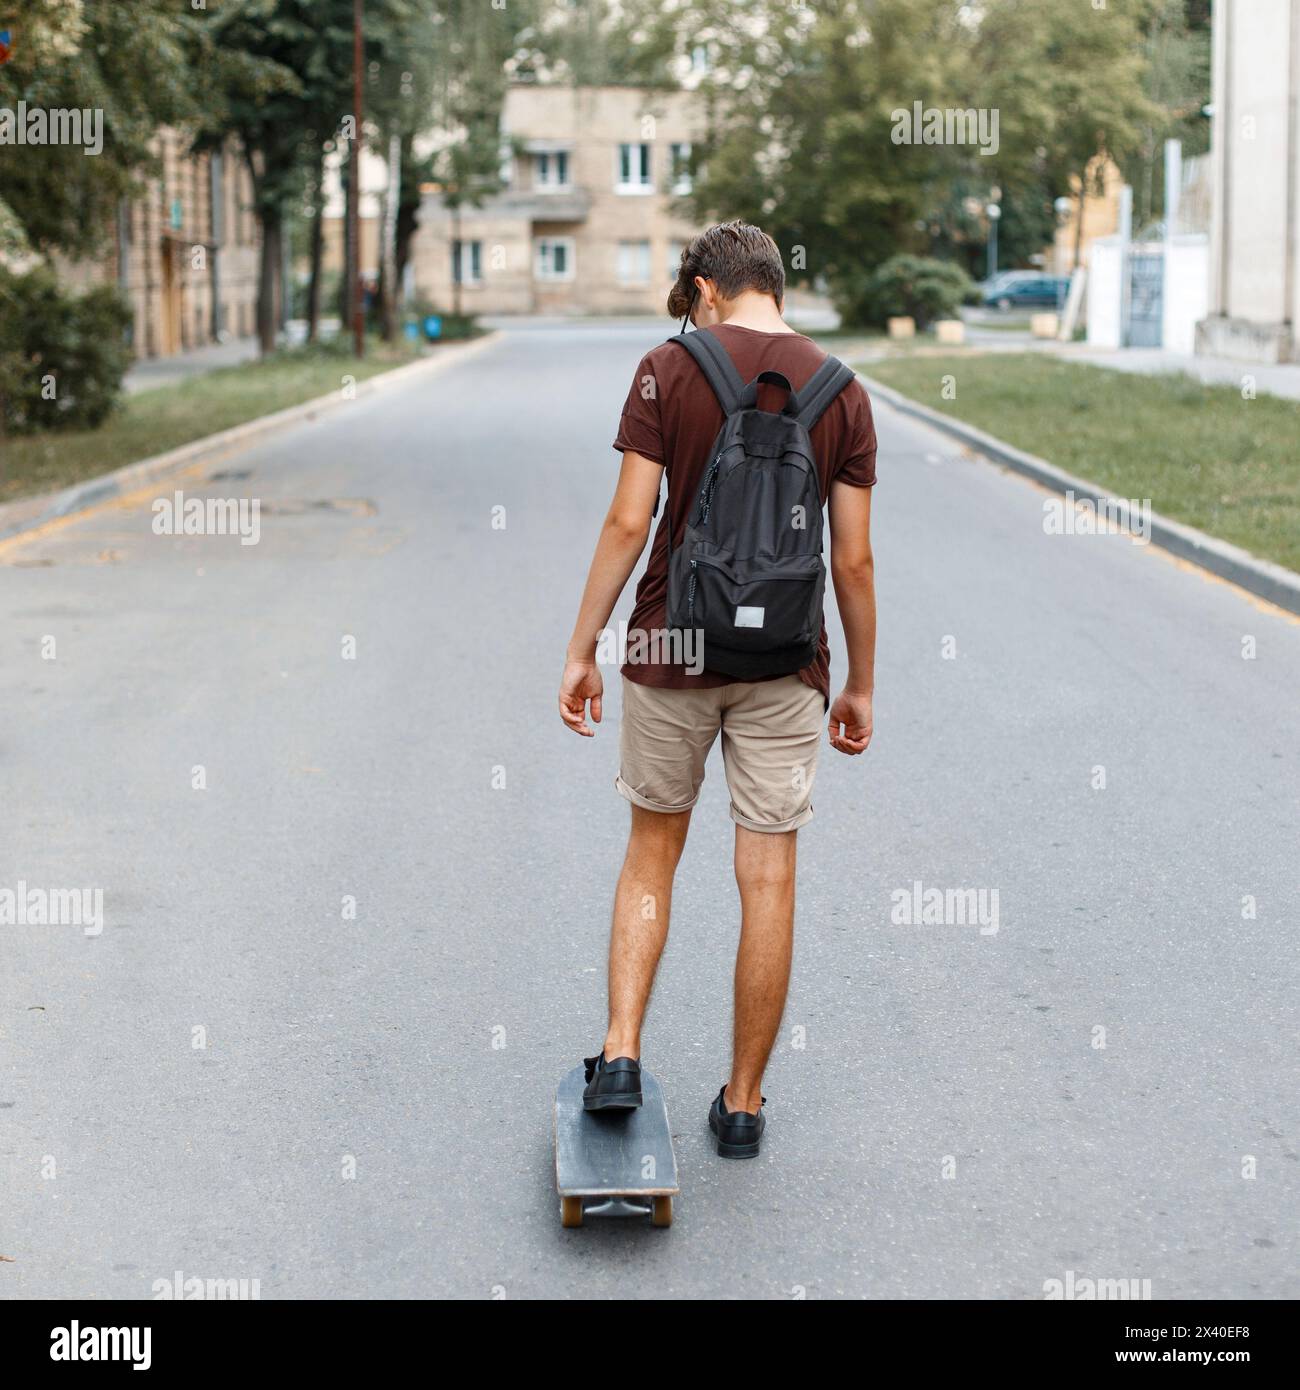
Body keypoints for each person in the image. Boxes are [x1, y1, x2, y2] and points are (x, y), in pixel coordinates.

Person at [558, 221, 877, 1158]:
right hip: (785, 661)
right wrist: (859, 680)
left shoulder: (669, 368)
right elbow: (852, 560)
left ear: (705, 288)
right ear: (776, 285)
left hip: (672, 647)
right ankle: (742, 1107)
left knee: (652, 856)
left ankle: (621, 1054)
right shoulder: (842, 392)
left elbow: (629, 520)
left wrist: (584, 646)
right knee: (768, 875)